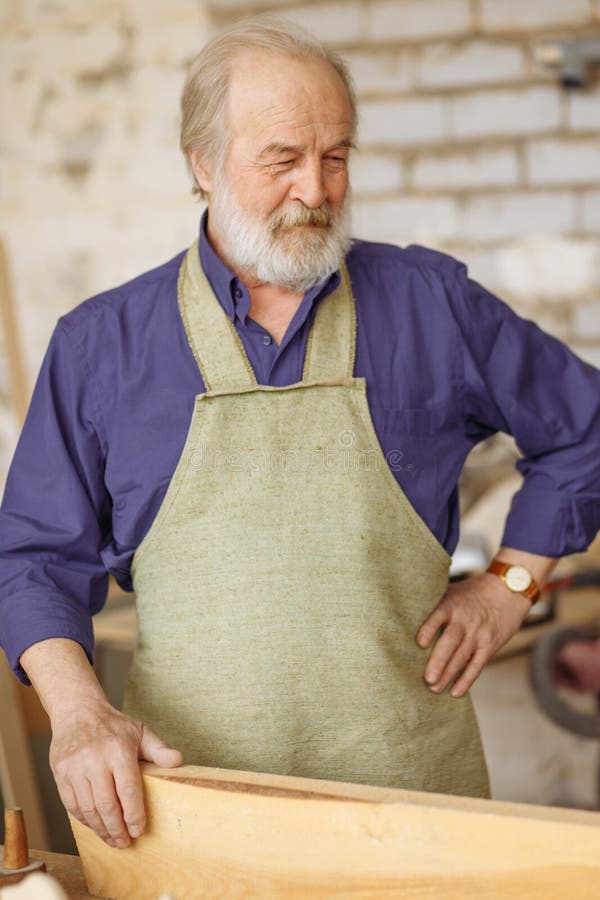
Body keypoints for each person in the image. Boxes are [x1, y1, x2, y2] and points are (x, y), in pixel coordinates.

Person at [1, 17, 599, 851]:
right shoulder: (102, 346)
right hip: (189, 811)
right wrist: (77, 711)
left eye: (337, 157)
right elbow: (34, 557)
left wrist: (511, 586)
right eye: (282, 159)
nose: (316, 191)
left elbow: (587, 429)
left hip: (415, 807)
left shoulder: (430, 304)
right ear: (201, 164)